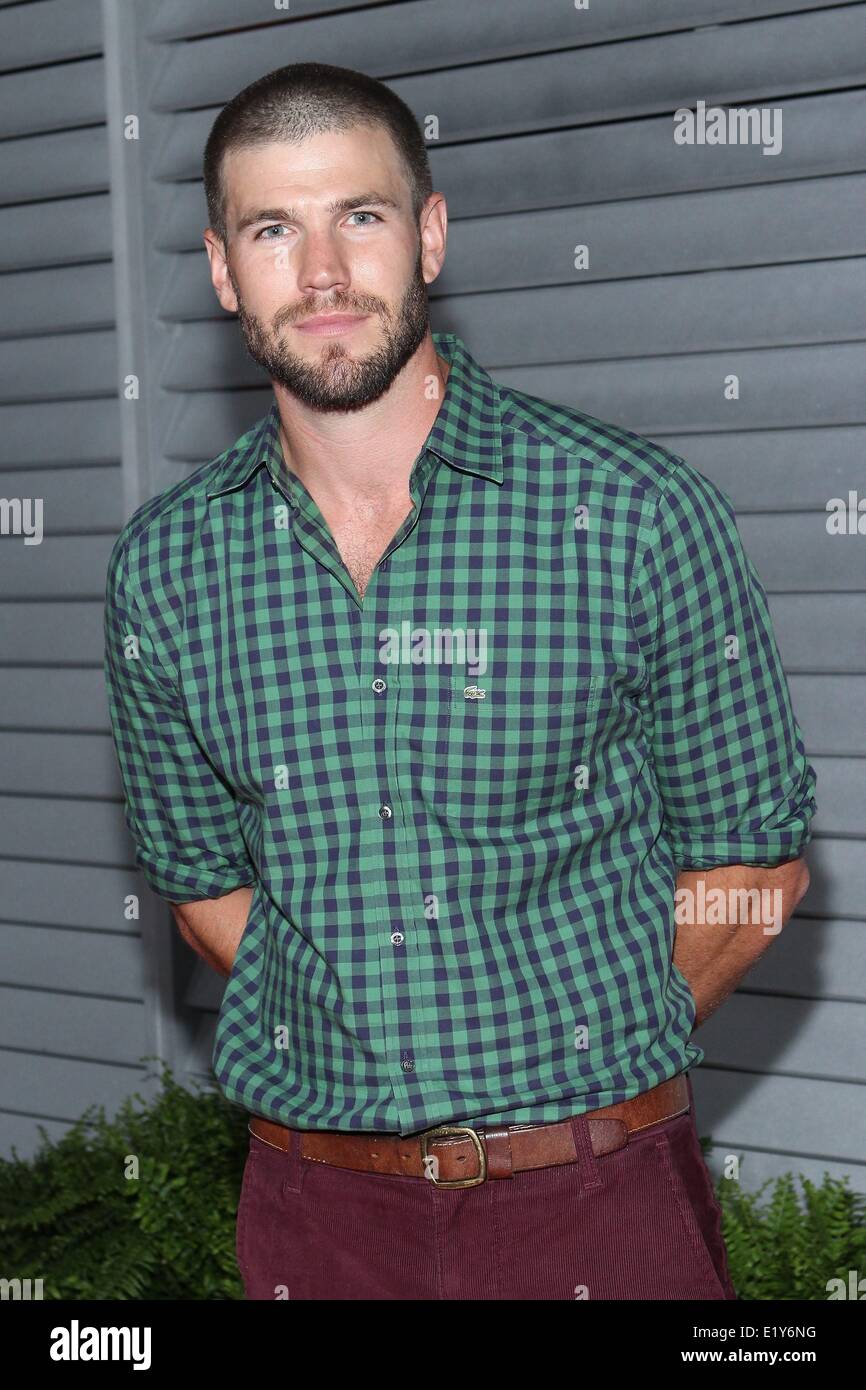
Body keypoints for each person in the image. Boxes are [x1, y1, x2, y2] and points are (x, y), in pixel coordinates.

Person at [103, 62, 816, 1301]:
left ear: (427, 235)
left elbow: (755, 864)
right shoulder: (165, 571)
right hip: (312, 1217)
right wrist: (364, 1040)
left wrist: (587, 1061)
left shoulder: (635, 515)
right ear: (223, 271)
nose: (321, 275)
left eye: (359, 218)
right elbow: (205, 888)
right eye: (274, 229)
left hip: (598, 1205)